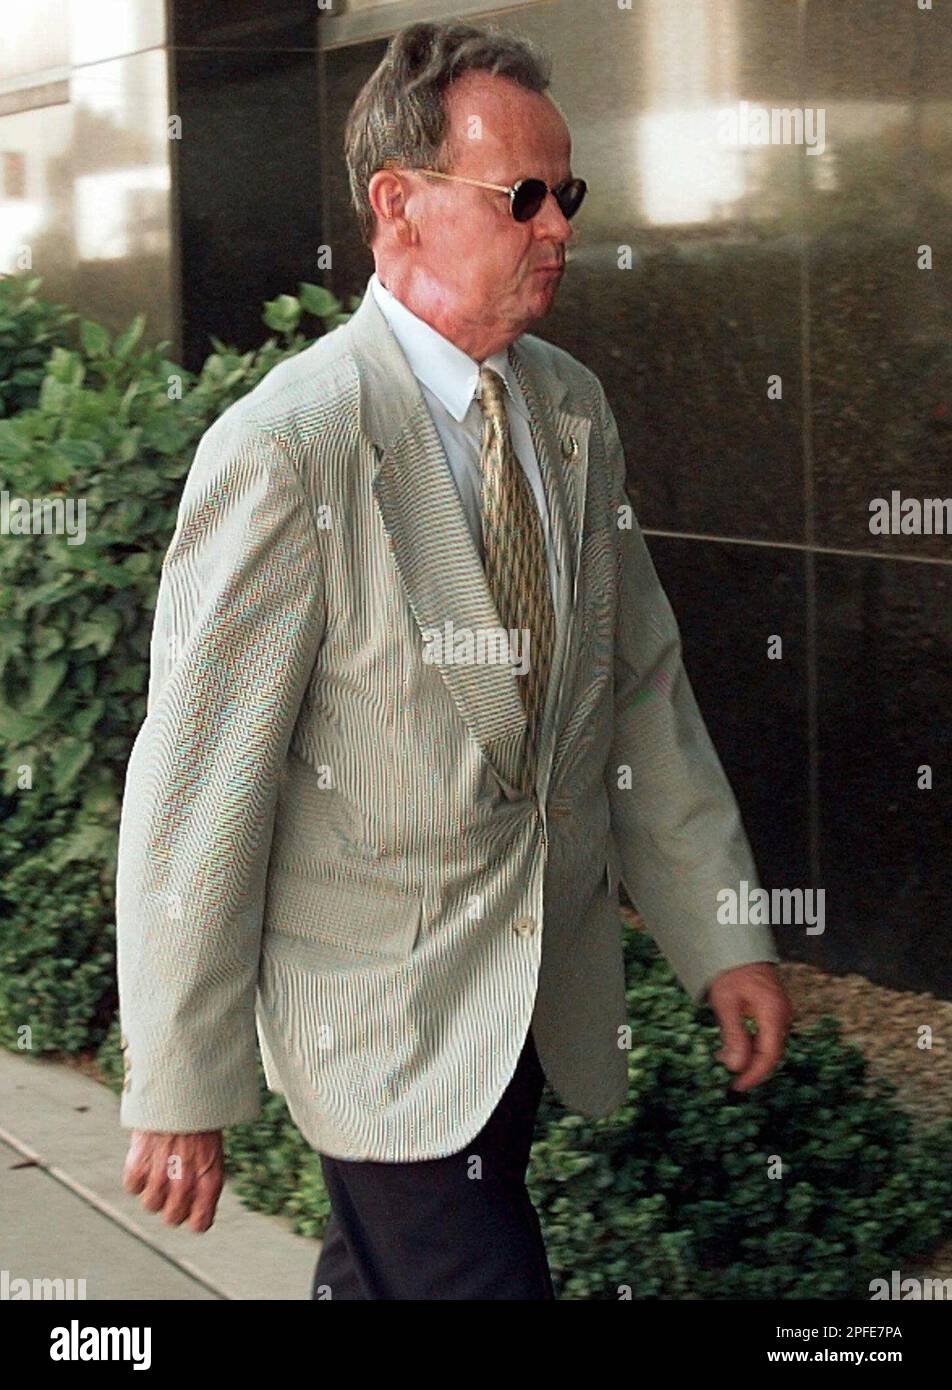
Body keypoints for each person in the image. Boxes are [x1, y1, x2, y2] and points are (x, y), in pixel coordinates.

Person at [117, 19, 791, 1300]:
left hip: (526, 1006)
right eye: (521, 196)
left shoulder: (572, 406)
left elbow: (641, 688)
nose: (559, 228)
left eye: (566, 194)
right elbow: (199, 785)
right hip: (376, 1021)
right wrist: (180, 1076)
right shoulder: (290, 447)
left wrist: (723, 930)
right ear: (399, 206)